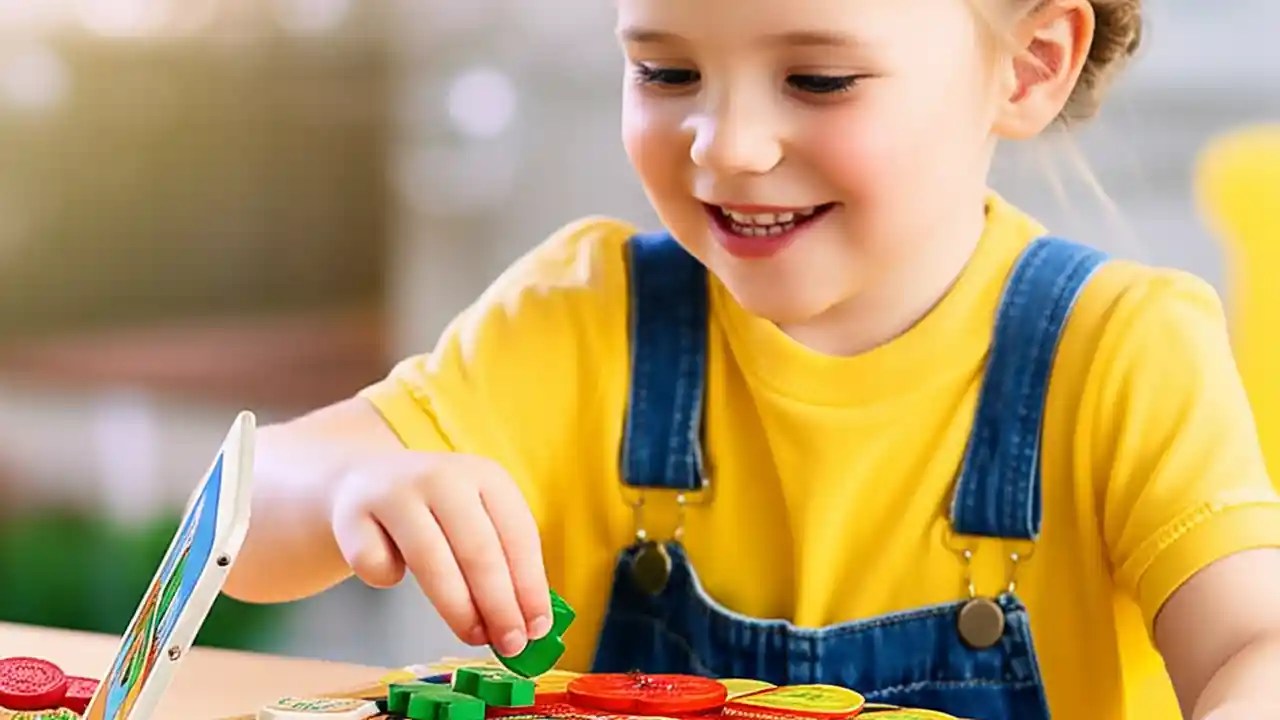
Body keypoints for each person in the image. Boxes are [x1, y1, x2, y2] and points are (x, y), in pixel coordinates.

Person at [222, 0, 1280, 718]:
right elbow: (236, 517)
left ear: (1028, 64)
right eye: (664, 69)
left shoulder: (1121, 349)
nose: (725, 145)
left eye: (817, 79)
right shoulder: (586, 316)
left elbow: (1253, 647)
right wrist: (353, 480)